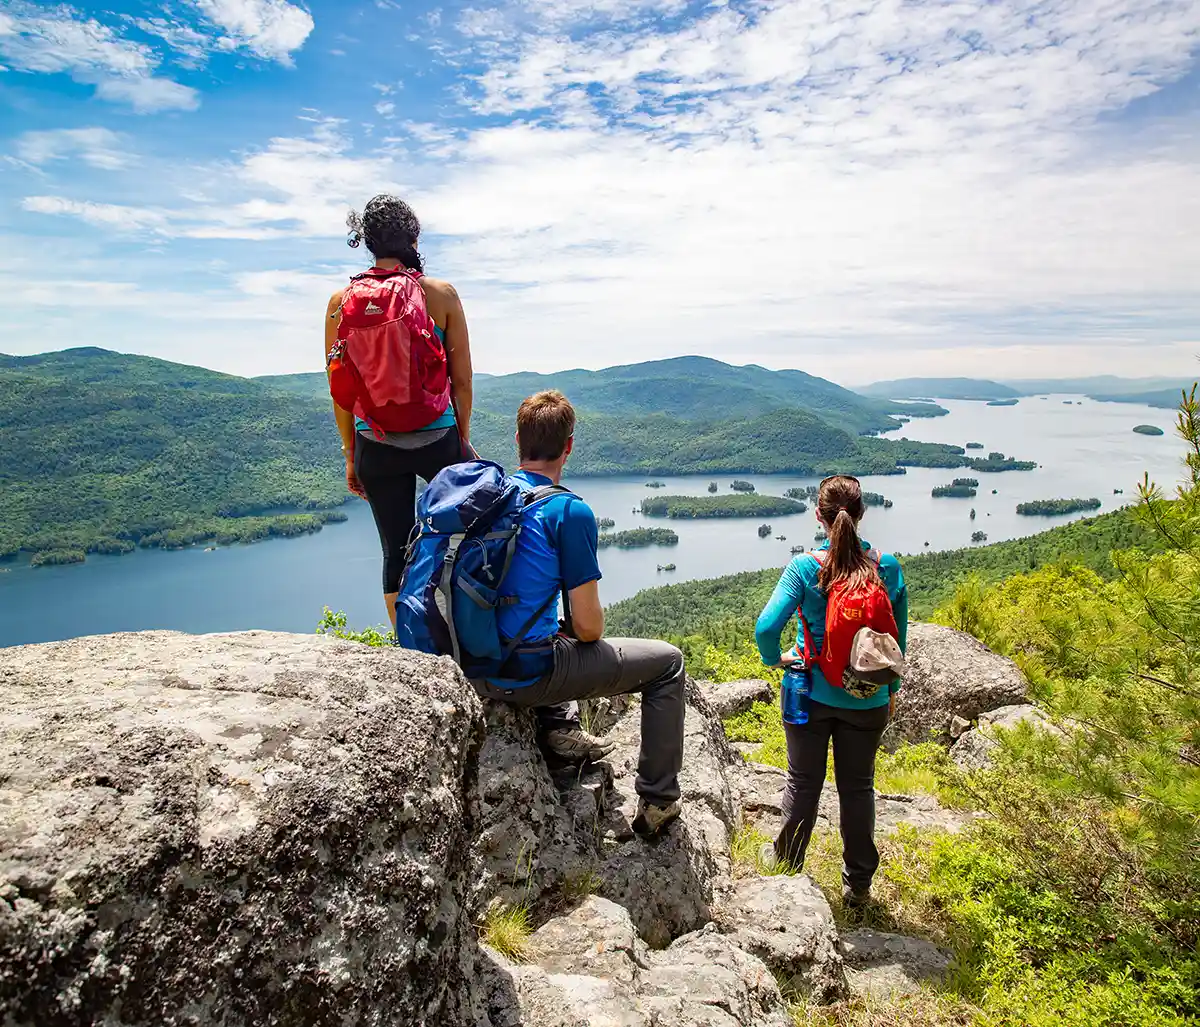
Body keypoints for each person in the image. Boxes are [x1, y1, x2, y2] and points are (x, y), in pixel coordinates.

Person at [473, 389, 686, 837]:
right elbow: (589, 627)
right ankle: (659, 800)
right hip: (523, 675)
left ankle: (557, 724)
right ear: (569, 446)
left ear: (517, 440)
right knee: (668, 664)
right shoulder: (567, 511)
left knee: (546, 628)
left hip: (466, 663)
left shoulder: (487, 497)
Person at [754, 474, 907, 905]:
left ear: (818, 516)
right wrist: (888, 690)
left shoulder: (805, 567)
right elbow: (898, 642)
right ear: (861, 515)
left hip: (811, 693)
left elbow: (766, 628)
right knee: (857, 788)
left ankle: (786, 865)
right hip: (868, 698)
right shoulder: (887, 566)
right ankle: (858, 885)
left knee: (804, 781)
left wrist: (776, 659)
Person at [324, 194, 473, 628]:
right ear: (413, 236)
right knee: (461, 539)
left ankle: (408, 646)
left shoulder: (340, 302)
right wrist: (460, 440)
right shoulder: (440, 294)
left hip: (376, 443)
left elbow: (340, 390)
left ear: (366, 241)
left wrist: (351, 454)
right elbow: (461, 380)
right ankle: (466, 636)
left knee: (395, 548)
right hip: (438, 438)